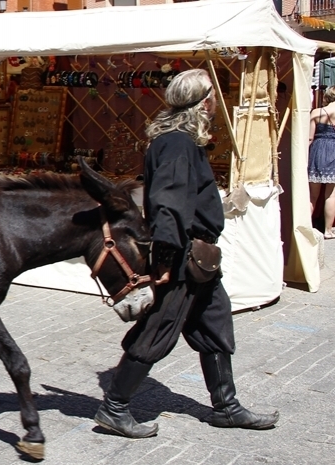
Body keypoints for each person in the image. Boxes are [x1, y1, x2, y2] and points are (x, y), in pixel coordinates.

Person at [93, 69, 279, 438]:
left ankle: (226, 407)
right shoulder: (177, 143)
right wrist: (165, 261)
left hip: (198, 259)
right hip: (181, 256)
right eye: (212, 96)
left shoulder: (177, 140)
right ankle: (114, 408)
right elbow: (168, 204)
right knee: (158, 328)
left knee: (214, 322)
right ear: (202, 101)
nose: (214, 103)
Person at [307, 86, 335, 239]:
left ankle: (307, 228)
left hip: (318, 152)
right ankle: (328, 231)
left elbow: (310, 138)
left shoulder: (316, 112)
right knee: (331, 196)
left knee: (312, 195)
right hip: (334, 151)